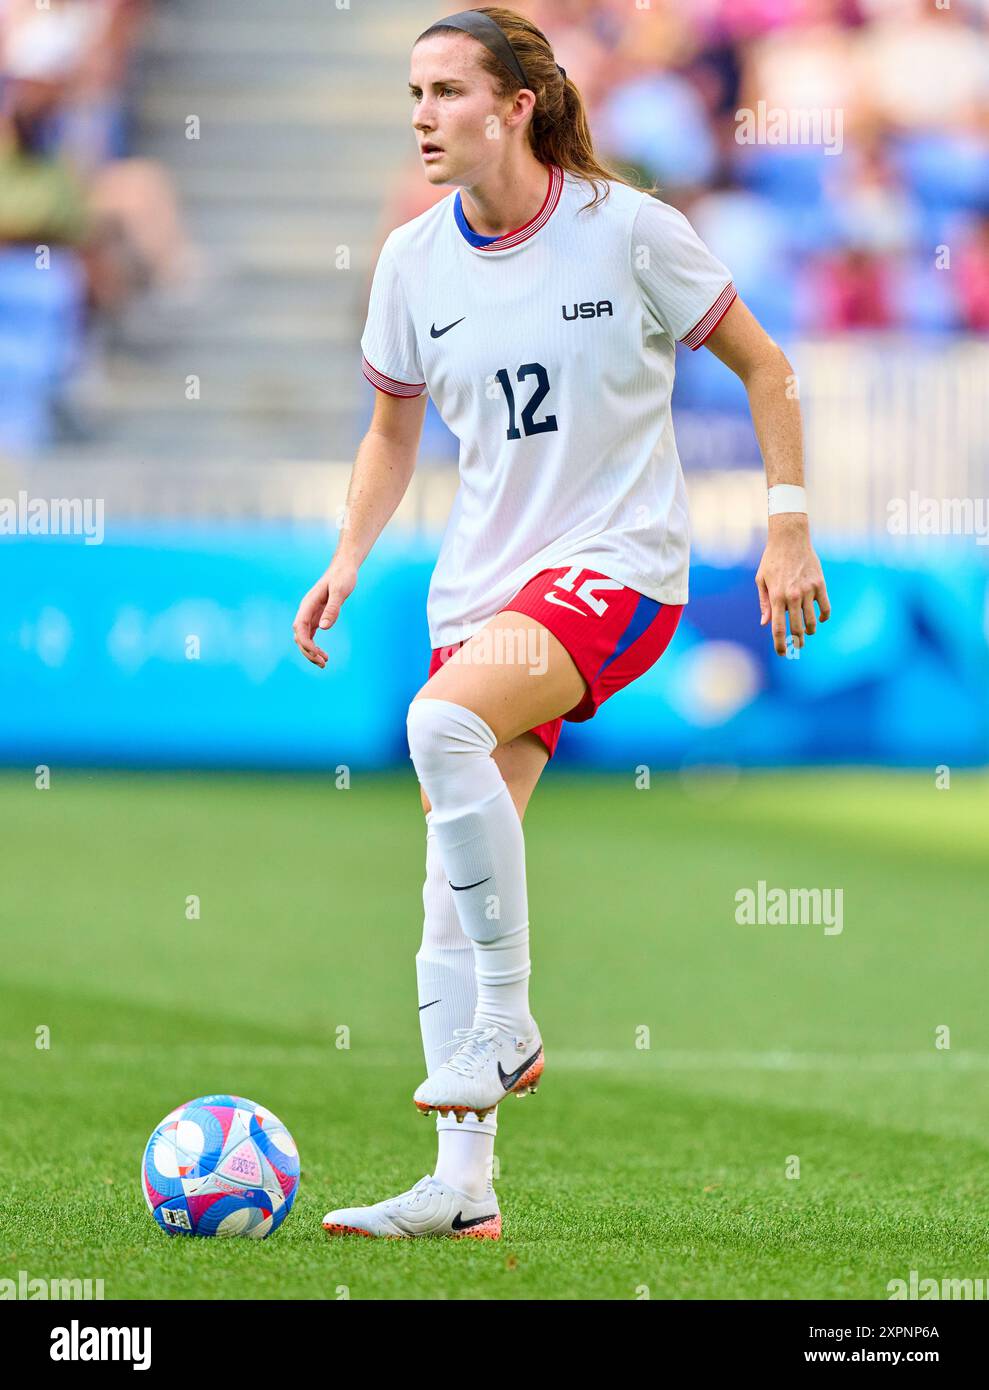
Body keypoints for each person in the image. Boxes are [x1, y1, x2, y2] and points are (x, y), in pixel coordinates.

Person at [293, 6, 830, 1240]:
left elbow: (767, 366)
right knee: (444, 883)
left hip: (616, 568)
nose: (421, 115)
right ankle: (459, 1187)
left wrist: (785, 523)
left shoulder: (626, 230)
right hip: (480, 587)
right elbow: (390, 429)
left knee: (436, 726)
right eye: (411, 93)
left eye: (445, 91)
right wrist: (347, 555)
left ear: (515, 105)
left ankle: (510, 1020)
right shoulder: (412, 260)